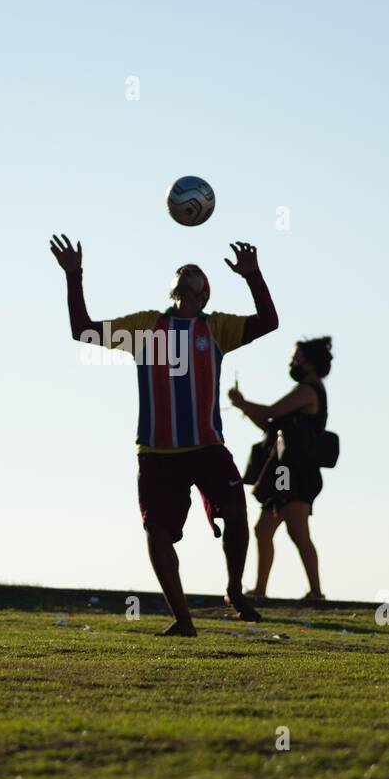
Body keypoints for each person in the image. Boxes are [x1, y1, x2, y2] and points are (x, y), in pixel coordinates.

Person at [49, 234, 279, 636]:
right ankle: (183, 619)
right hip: (157, 451)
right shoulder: (144, 327)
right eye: (183, 274)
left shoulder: (218, 327)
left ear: (204, 294)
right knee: (156, 532)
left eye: (197, 276)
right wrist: (74, 275)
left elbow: (269, 321)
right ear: (173, 289)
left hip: (208, 447)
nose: (188, 276)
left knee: (238, 514)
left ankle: (234, 590)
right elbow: (82, 331)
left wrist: (253, 276)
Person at [228, 337, 332, 601]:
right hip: (284, 473)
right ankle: (263, 589)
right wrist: (245, 407)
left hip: (295, 474)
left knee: (296, 530)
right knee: (267, 530)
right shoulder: (308, 390)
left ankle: (316, 592)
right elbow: (269, 424)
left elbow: (270, 413)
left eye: (297, 357)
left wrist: (241, 403)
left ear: (309, 363)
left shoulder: (308, 391)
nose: (293, 362)